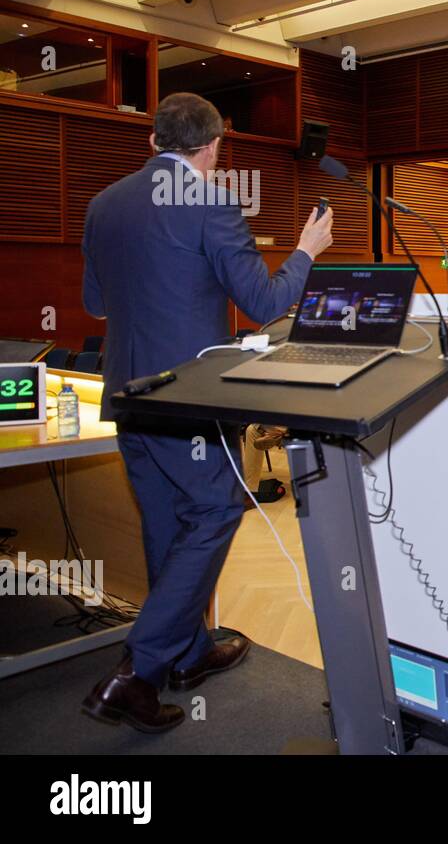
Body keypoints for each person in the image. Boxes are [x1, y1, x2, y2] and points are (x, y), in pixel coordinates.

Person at [80, 92, 333, 732]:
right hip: (187, 401)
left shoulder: (103, 204)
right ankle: (138, 670)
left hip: (127, 399)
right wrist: (306, 249)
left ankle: (188, 654)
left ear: (152, 141)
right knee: (218, 509)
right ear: (216, 147)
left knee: (166, 524)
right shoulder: (211, 201)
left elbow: (95, 304)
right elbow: (264, 299)